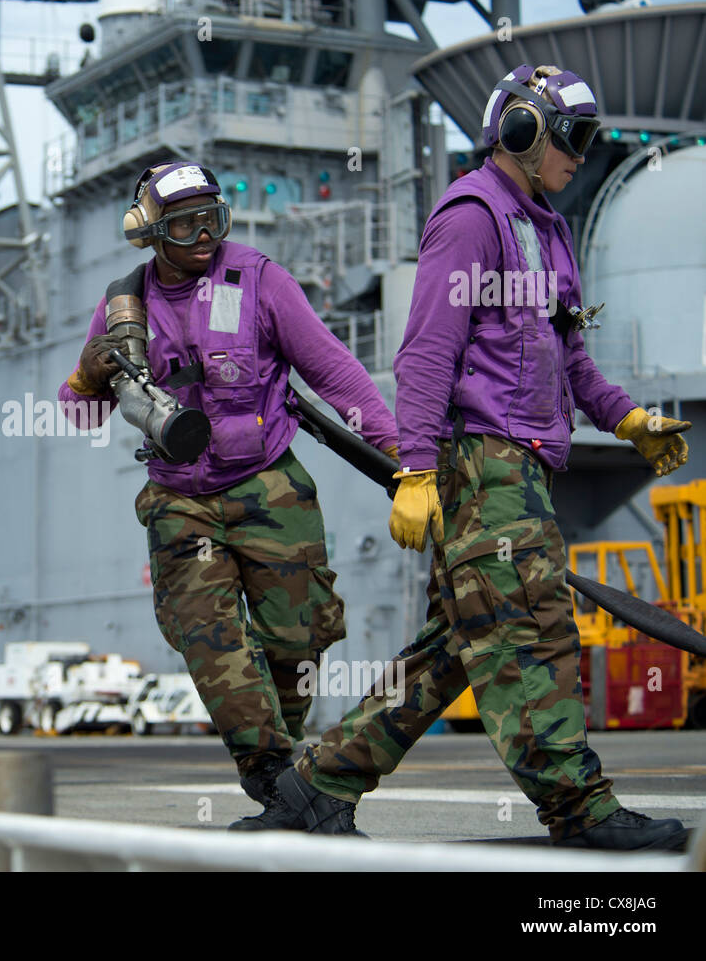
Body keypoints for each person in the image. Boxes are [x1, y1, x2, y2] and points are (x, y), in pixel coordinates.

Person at [251, 65, 690, 850]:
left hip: (518, 466)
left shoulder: (547, 232)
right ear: (520, 129)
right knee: (531, 628)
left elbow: (575, 364)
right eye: (572, 136)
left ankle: (318, 786)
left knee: (455, 646)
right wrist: (417, 468)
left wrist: (629, 421)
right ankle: (579, 808)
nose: (582, 154)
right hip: (486, 465)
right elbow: (426, 353)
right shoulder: (471, 216)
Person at [57, 162, 399, 823]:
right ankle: (277, 782)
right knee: (212, 641)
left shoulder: (259, 280)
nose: (204, 234)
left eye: (212, 217)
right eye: (185, 223)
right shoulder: (123, 305)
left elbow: (335, 371)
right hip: (180, 500)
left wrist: (401, 459)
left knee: (296, 638)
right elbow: (76, 414)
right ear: (149, 232)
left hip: (268, 482)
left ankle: (286, 766)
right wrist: (84, 375)